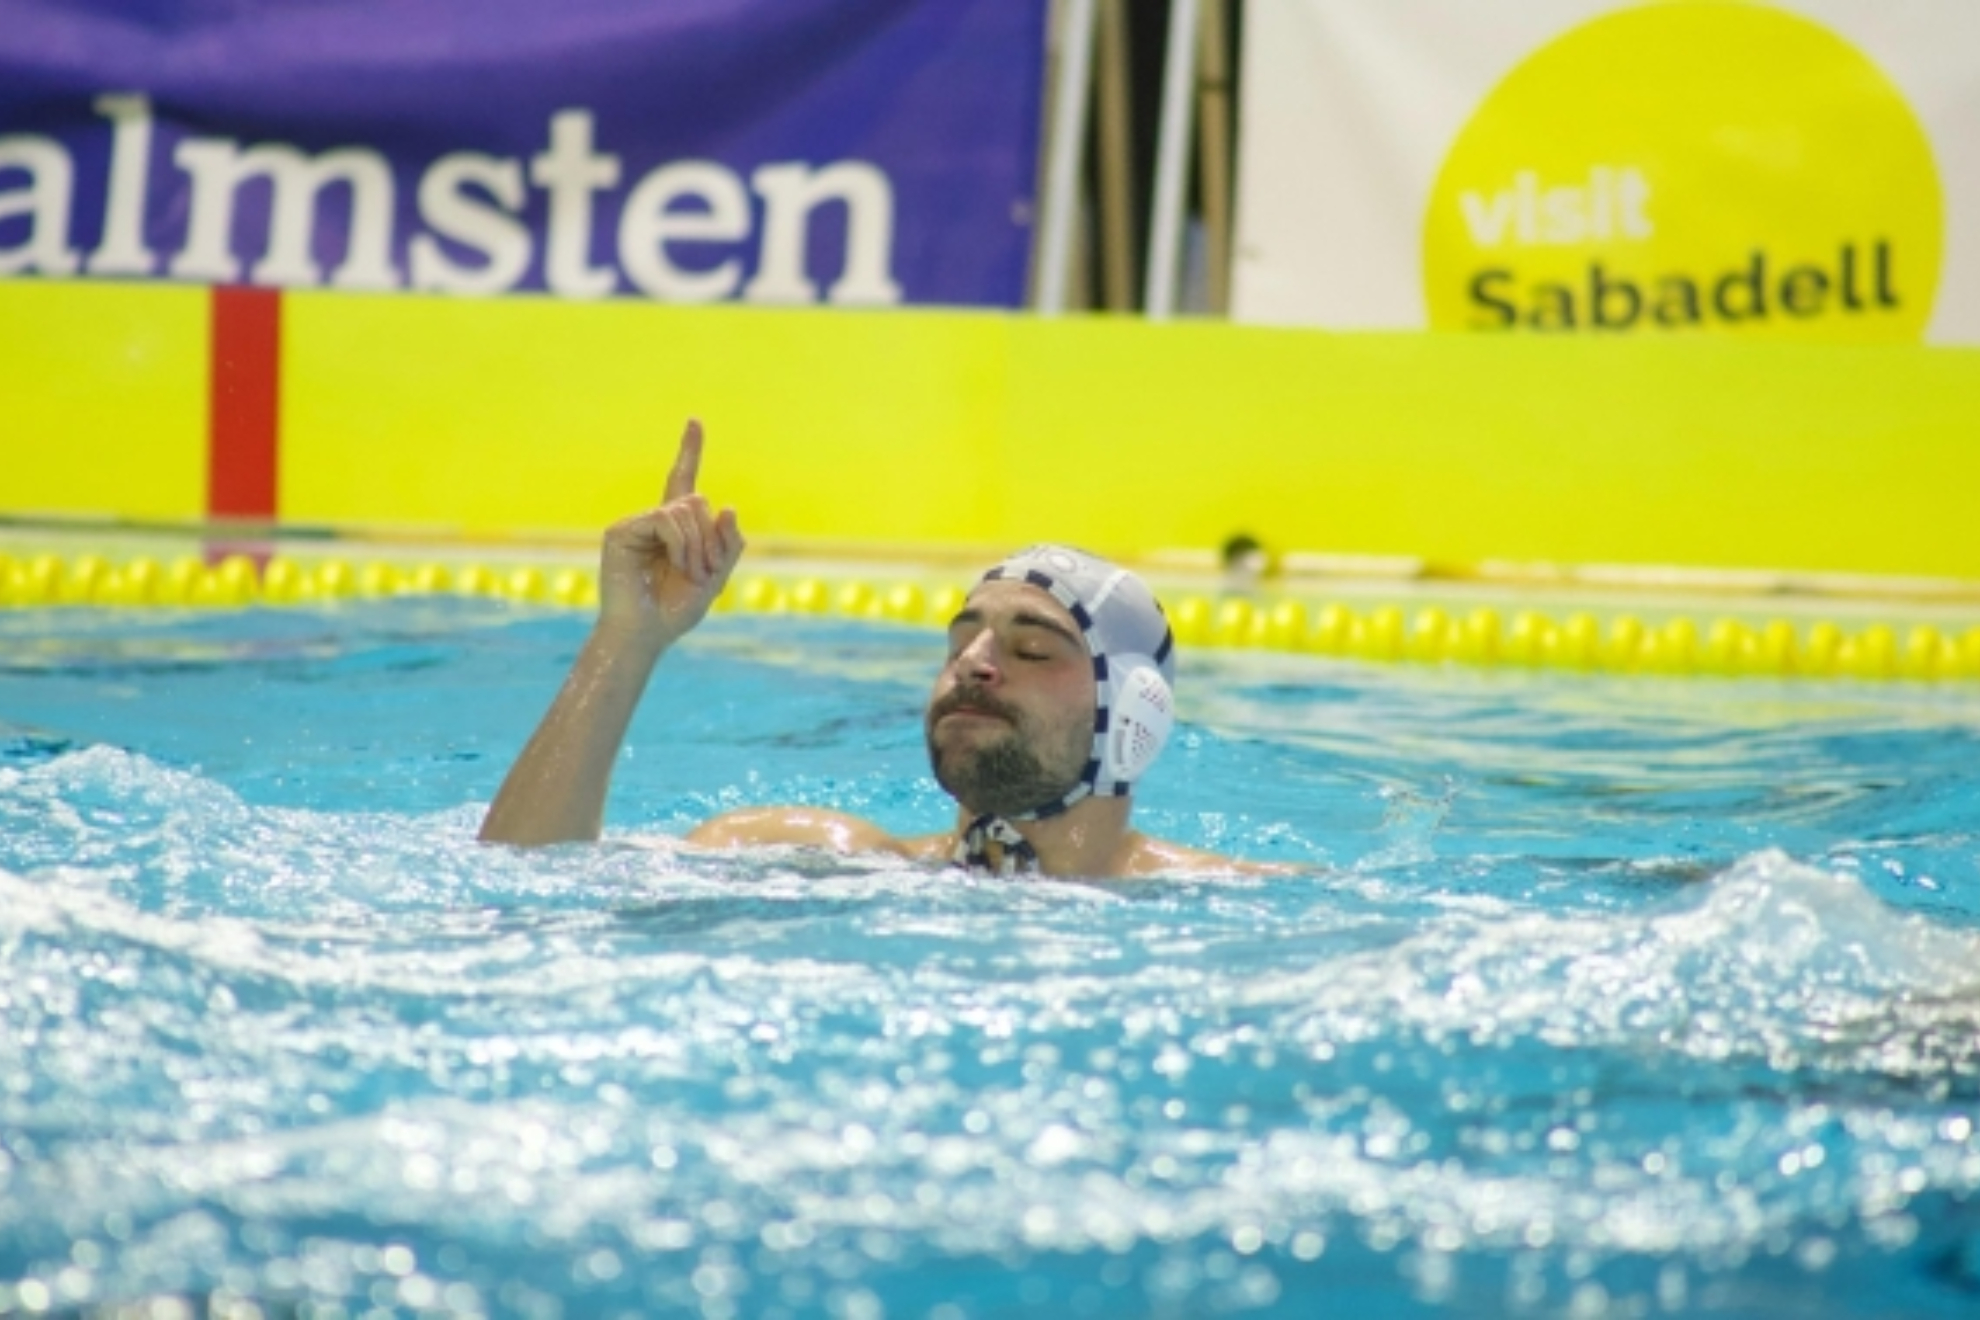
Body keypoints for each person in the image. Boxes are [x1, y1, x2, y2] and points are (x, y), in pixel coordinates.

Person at [478, 421, 1246, 878]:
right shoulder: (809, 858)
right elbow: (526, 885)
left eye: (1034, 650)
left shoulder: (1220, 900)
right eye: (962, 640)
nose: (974, 662)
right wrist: (627, 638)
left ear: (1132, 714)